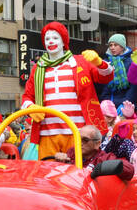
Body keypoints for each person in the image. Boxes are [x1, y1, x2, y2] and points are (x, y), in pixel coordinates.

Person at [21, 21, 113, 160]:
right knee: (48, 173)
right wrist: (31, 107)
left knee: (76, 172)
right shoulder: (38, 68)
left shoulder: (80, 62)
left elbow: (106, 77)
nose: (51, 41)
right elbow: (27, 96)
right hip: (47, 133)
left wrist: (99, 63)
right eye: (47, 38)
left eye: (55, 38)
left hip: (77, 132)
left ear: (63, 41)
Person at [47, 124, 133, 179]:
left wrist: (105, 168)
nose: (79, 143)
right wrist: (59, 162)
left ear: (97, 143)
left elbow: (130, 170)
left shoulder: (103, 158)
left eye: (85, 140)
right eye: (78, 139)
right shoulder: (71, 153)